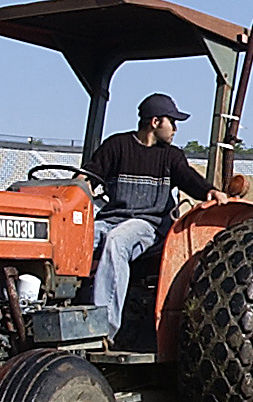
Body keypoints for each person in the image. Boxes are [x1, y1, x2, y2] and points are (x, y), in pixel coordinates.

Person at [82, 93, 227, 334]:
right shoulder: (116, 146)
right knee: (77, 237)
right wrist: (76, 186)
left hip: (147, 224)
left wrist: (209, 191)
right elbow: (88, 178)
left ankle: (103, 328)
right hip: (111, 219)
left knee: (117, 242)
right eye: (173, 122)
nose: (175, 129)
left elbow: (188, 178)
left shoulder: (171, 156)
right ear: (156, 122)